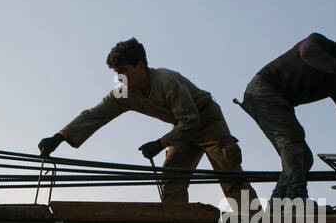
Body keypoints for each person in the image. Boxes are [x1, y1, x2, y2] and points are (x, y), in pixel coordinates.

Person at [38, 38, 260, 209]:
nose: (119, 78)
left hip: (207, 120)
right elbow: (95, 115)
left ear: (140, 65)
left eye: (123, 71)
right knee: (171, 178)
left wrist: (161, 143)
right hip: (182, 129)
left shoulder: (166, 81)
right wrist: (60, 136)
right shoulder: (126, 93)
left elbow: (192, 121)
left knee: (228, 173)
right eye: (116, 73)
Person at [236, 17, 336, 200]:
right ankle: (297, 198)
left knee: (304, 158)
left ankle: (280, 202)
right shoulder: (319, 44)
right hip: (262, 89)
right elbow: (308, 53)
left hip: (280, 102)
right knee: (292, 139)